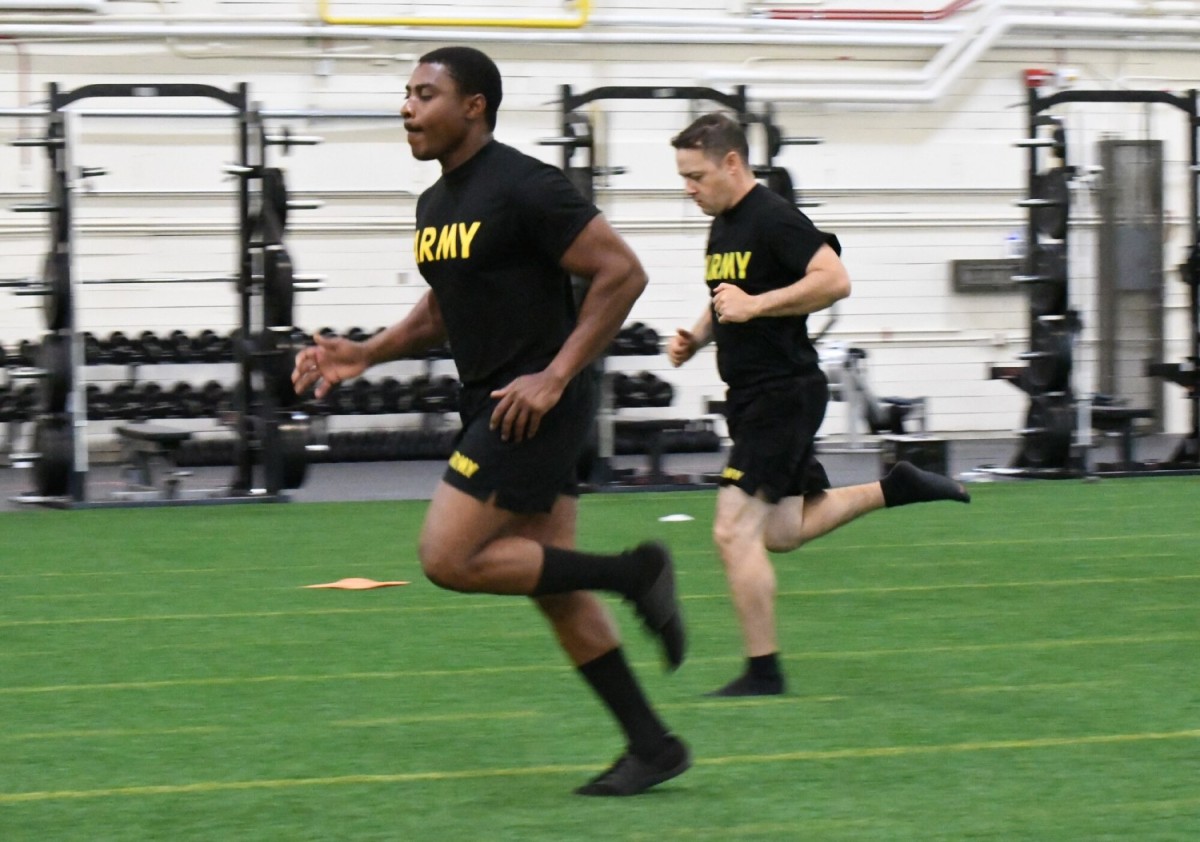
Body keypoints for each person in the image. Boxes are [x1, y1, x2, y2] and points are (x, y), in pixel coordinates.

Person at [292, 46, 689, 796]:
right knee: (551, 582)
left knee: (447, 558)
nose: (407, 108)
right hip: (491, 399)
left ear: (474, 107)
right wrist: (364, 353)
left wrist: (555, 375)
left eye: (425, 95)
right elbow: (441, 310)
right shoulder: (435, 205)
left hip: (535, 403)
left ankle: (634, 573)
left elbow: (622, 272)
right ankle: (653, 745)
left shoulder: (527, 186)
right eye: (407, 94)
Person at [667, 113, 970, 697]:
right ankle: (896, 487)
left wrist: (757, 306)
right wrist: (697, 335)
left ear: (732, 162)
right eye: (683, 177)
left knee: (732, 531)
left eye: (696, 176)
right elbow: (726, 295)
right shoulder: (723, 226)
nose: (688, 189)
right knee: (780, 531)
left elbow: (834, 279)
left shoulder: (773, 216)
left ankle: (764, 672)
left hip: (782, 395)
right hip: (751, 396)